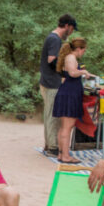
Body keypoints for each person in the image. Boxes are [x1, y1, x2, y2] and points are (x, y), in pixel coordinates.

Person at [39, 14, 78, 156]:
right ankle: (52, 147)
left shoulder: (52, 38)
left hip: (48, 81)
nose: (71, 32)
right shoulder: (55, 39)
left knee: (49, 113)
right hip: (51, 82)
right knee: (52, 115)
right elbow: (52, 60)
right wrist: (64, 72)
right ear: (67, 26)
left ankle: (49, 144)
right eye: (72, 29)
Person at [51, 36, 93, 164]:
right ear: (79, 49)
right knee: (67, 127)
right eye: (83, 50)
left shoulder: (69, 57)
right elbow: (72, 73)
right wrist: (83, 71)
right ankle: (66, 156)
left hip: (69, 92)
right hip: (69, 94)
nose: (83, 52)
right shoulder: (71, 57)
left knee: (64, 127)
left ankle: (61, 153)